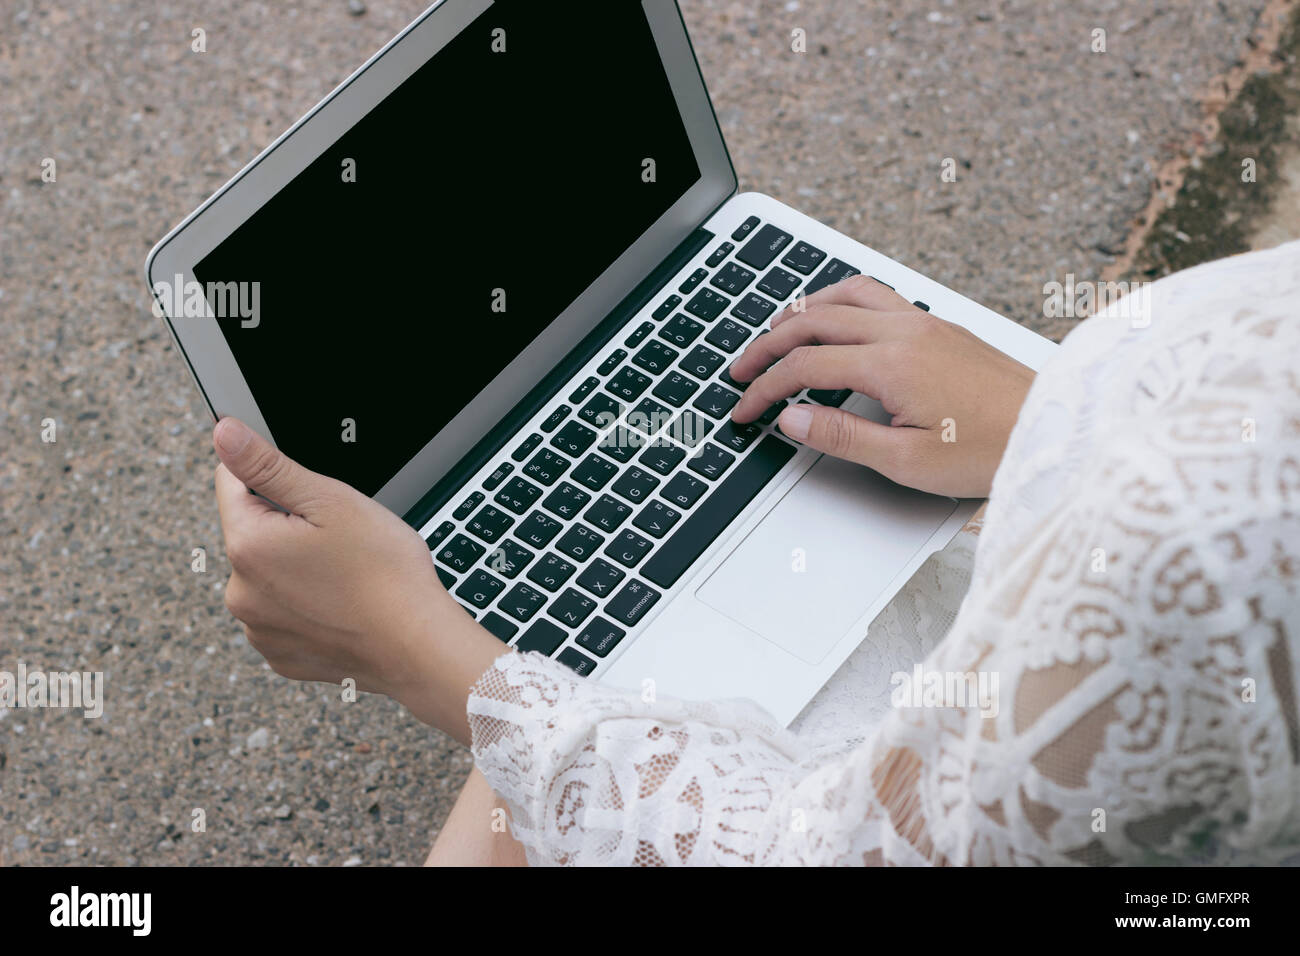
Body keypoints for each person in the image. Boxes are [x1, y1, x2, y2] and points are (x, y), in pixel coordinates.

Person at [212, 240, 1300, 866]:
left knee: (528, 761)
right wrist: (1045, 420)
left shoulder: (1201, 542)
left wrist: (419, 652)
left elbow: (822, 853)